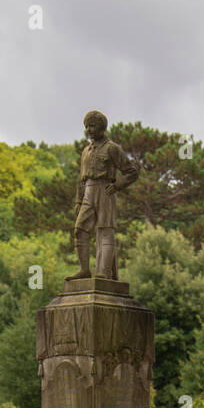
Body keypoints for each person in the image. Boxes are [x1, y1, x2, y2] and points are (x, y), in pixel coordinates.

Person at [71, 110, 139, 280]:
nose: (89, 130)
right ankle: (84, 270)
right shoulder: (86, 151)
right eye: (86, 127)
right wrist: (79, 200)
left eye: (92, 126)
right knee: (80, 230)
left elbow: (132, 172)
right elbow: (81, 178)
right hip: (88, 191)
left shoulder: (112, 148)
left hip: (105, 192)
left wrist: (116, 186)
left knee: (105, 231)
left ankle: (103, 272)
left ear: (101, 127)